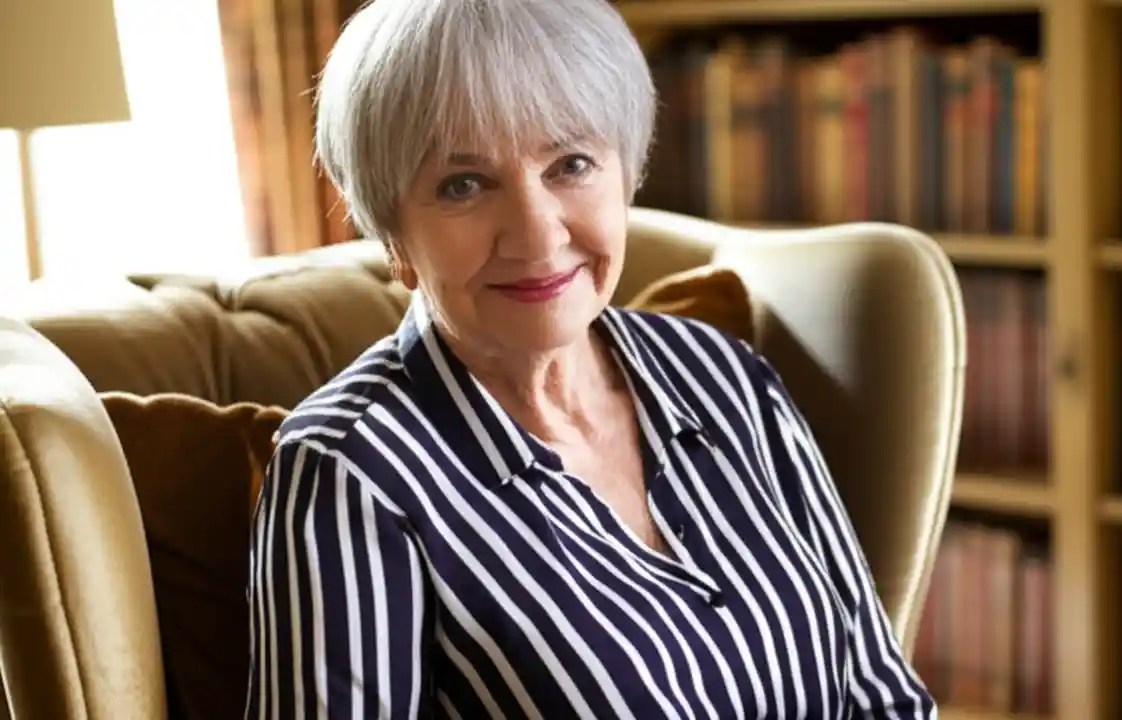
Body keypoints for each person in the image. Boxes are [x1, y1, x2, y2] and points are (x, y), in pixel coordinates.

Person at [246, 0, 936, 717]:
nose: (538, 236)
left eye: (570, 164)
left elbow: (880, 694)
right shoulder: (348, 471)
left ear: (625, 174)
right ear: (392, 236)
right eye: (464, 185)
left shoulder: (728, 378)